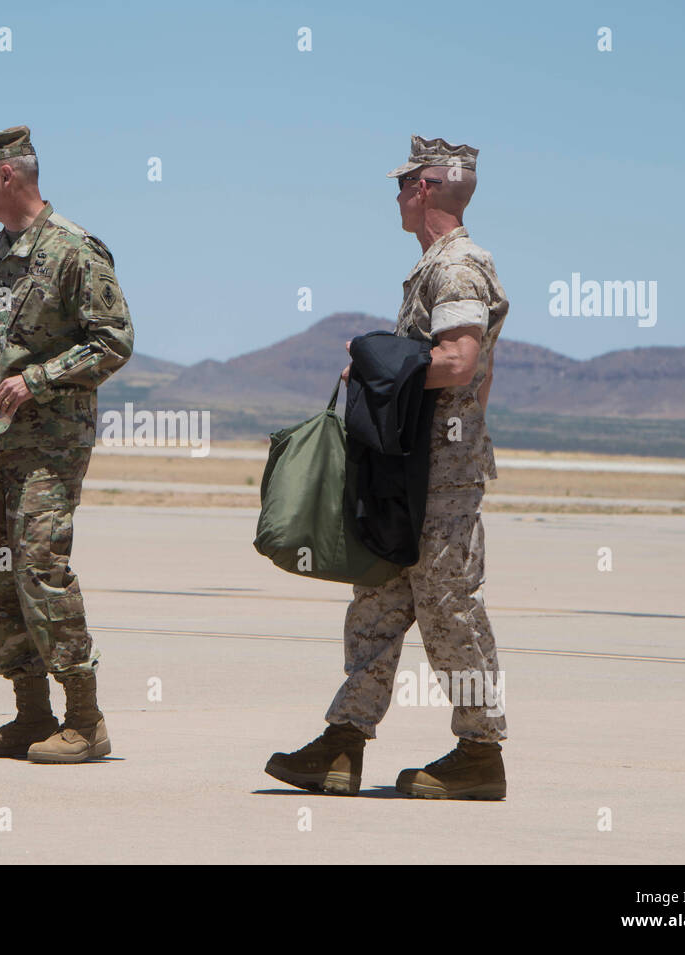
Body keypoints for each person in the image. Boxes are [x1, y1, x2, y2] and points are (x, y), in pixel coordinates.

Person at [265, 135, 510, 798]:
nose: (397, 197)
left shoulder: (457, 266)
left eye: (402, 185)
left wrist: (380, 363)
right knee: (377, 600)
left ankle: (480, 753)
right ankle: (342, 744)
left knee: (448, 607)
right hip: (413, 472)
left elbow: (459, 362)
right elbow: (475, 377)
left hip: (441, 483)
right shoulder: (434, 267)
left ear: (423, 188)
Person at [0, 126, 133, 763]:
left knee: (40, 569)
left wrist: (40, 380)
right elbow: (4, 342)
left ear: (7, 176)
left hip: (50, 444)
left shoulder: (75, 250)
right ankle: (30, 713)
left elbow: (114, 341)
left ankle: (85, 718)